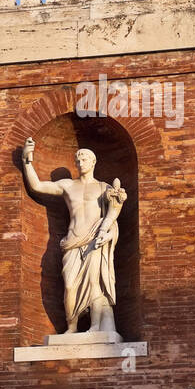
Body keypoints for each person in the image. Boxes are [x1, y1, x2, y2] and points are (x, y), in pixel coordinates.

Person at [21, 138, 127, 336]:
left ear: (93, 162)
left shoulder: (104, 188)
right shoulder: (67, 185)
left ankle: (95, 327)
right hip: (73, 241)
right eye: (78, 159)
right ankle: (71, 327)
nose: (80, 162)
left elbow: (113, 218)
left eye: (84, 158)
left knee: (95, 284)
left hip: (95, 240)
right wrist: (27, 159)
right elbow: (37, 186)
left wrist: (109, 234)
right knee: (69, 285)